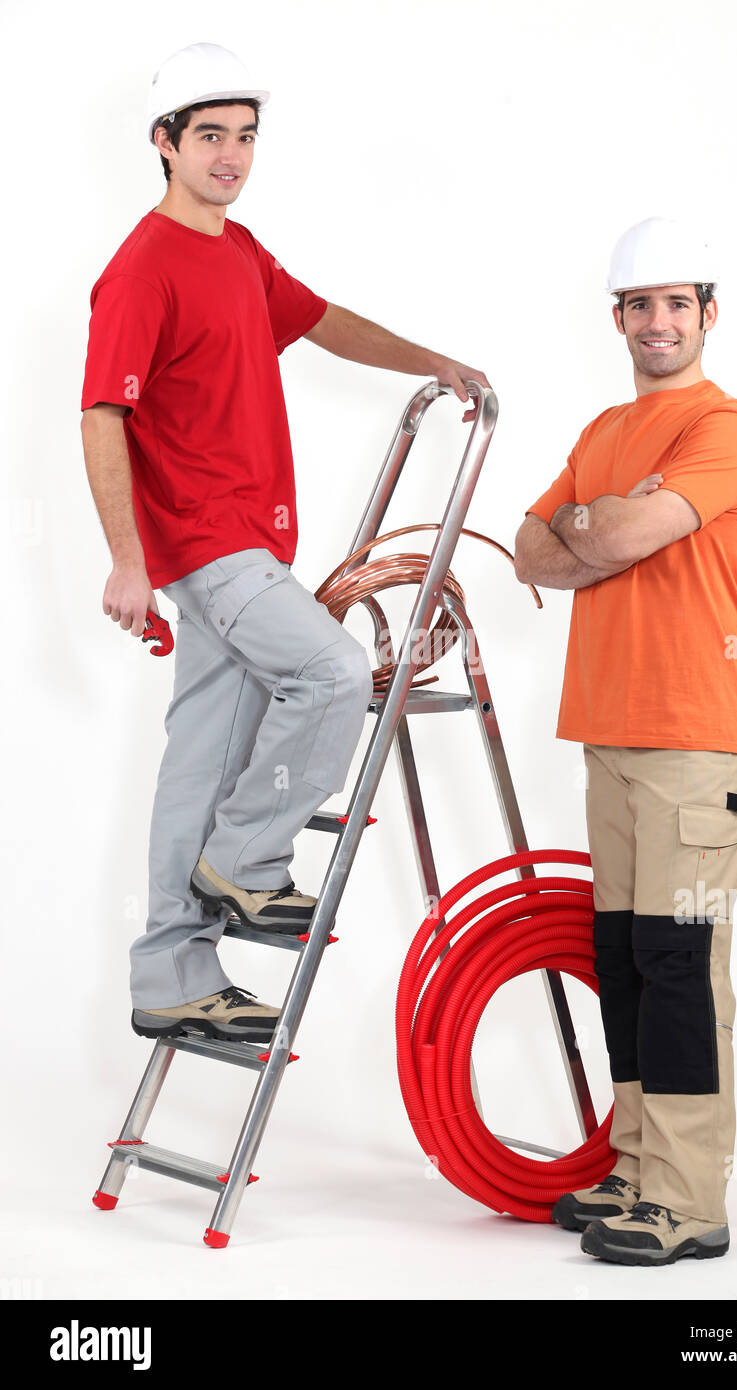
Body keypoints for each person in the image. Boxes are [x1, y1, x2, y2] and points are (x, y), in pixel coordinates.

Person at [80, 42, 489, 1047]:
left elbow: (319, 320)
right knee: (331, 668)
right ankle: (246, 862)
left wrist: (426, 358)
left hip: (247, 537)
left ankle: (171, 972)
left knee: (199, 756)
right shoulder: (140, 269)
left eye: (245, 137)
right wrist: (126, 557)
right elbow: (100, 415)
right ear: (164, 144)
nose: (230, 156)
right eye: (209, 136)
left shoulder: (237, 253)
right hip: (204, 539)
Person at [513, 216, 737, 1267]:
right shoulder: (602, 431)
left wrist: (597, 526)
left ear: (706, 313)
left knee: (679, 963)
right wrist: (595, 523)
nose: (656, 321)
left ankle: (688, 1197)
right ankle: (634, 1165)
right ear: (614, 318)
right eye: (638, 304)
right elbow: (534, 549)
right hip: (608, 732)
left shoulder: (726, 426)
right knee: (621, 957)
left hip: (691, 739)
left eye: (676, 303)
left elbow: (603, 536)